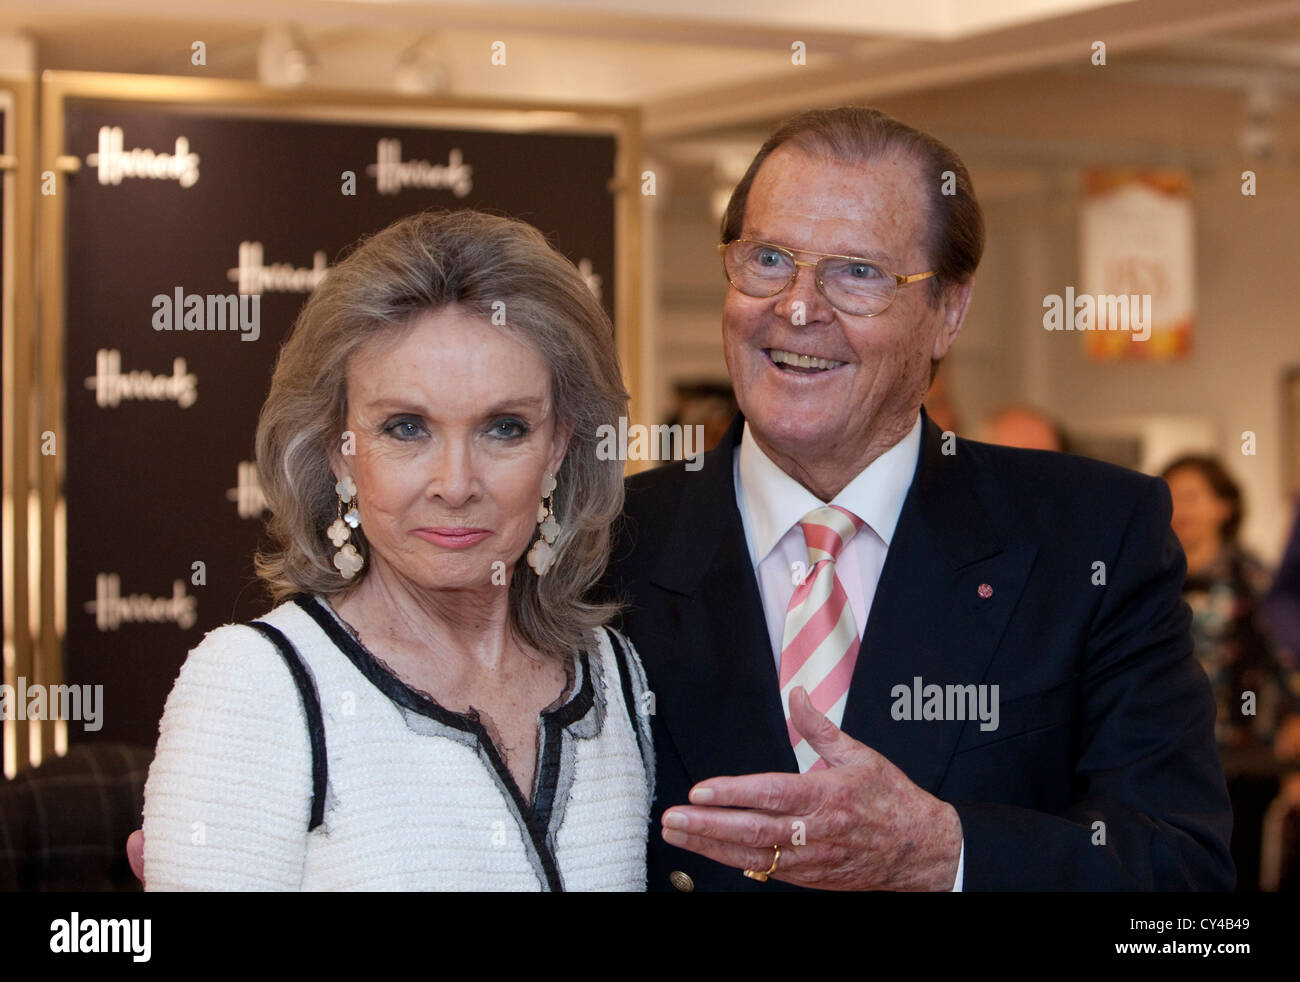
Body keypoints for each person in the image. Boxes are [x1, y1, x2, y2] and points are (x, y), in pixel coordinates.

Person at [605, 106, 1233, 891]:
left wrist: (945, 853)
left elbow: (1183, 880)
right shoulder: (607, 548)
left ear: (949, 312)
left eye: (858, 273)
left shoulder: (1094, 539)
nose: (798, 307)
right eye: (768, 258)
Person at [138, 210, 653, 890]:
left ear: (558, 446)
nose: (456, 485)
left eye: (505, 428)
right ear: (338, 452)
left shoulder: (616, 677)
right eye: (406, 428)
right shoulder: (255, 686)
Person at [1161, 454, 1300, 889]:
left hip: (1244, 761)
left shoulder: (1257, 580)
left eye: (1193, 496)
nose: (1181, 509)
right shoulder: (1144, 580)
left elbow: (1288, 656)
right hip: (1163, 758)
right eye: (1171, 496)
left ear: (1224, 506)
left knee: (1237, 869)